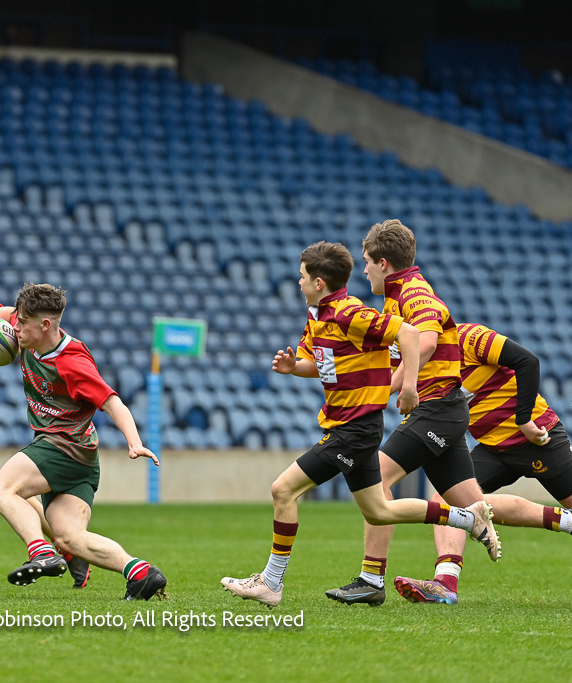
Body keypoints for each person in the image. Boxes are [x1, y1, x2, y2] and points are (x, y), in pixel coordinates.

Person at [221, 241, 498, 607]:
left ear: (319, 282)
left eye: (302, 275)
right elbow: (315, 363)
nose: (298, 280)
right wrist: (294, 367)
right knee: (379, 510)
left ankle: (271, 582)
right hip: (347, 427)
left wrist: (410, 387)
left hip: (354, 430)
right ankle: (466, 518)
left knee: (282, 490)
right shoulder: (317, 313)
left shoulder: (350, 314)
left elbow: (410, 335)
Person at [325, 219, 505, 606]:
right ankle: (561, 522)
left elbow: (424, 342)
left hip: (437, 408)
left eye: (368, 262)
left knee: (375, 480)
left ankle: (371, 580)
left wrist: (398, 388)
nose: (365, 270)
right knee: (477, 506)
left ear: (384, 262)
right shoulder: (396, 295)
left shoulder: (413, 291)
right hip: (447, 409)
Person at [0, 283, 167, 600]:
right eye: (16, 320)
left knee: (0, 490)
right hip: (81, 457)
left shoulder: (72, 362)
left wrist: (134, 442)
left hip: (62, 446)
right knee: (70, 537)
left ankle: (40, 552)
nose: (14, 327)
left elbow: (112, 402)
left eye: (22, 323)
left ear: (44, 325)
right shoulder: (30, 334)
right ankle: (140, 573)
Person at [394, 322, 572, 603]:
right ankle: (445, 583)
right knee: (446, 499)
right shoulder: (422, 366)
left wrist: (524, 419)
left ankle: (567, 520)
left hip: (537, 439)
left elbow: (528, 361)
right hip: (492, 448)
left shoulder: (470, 338)